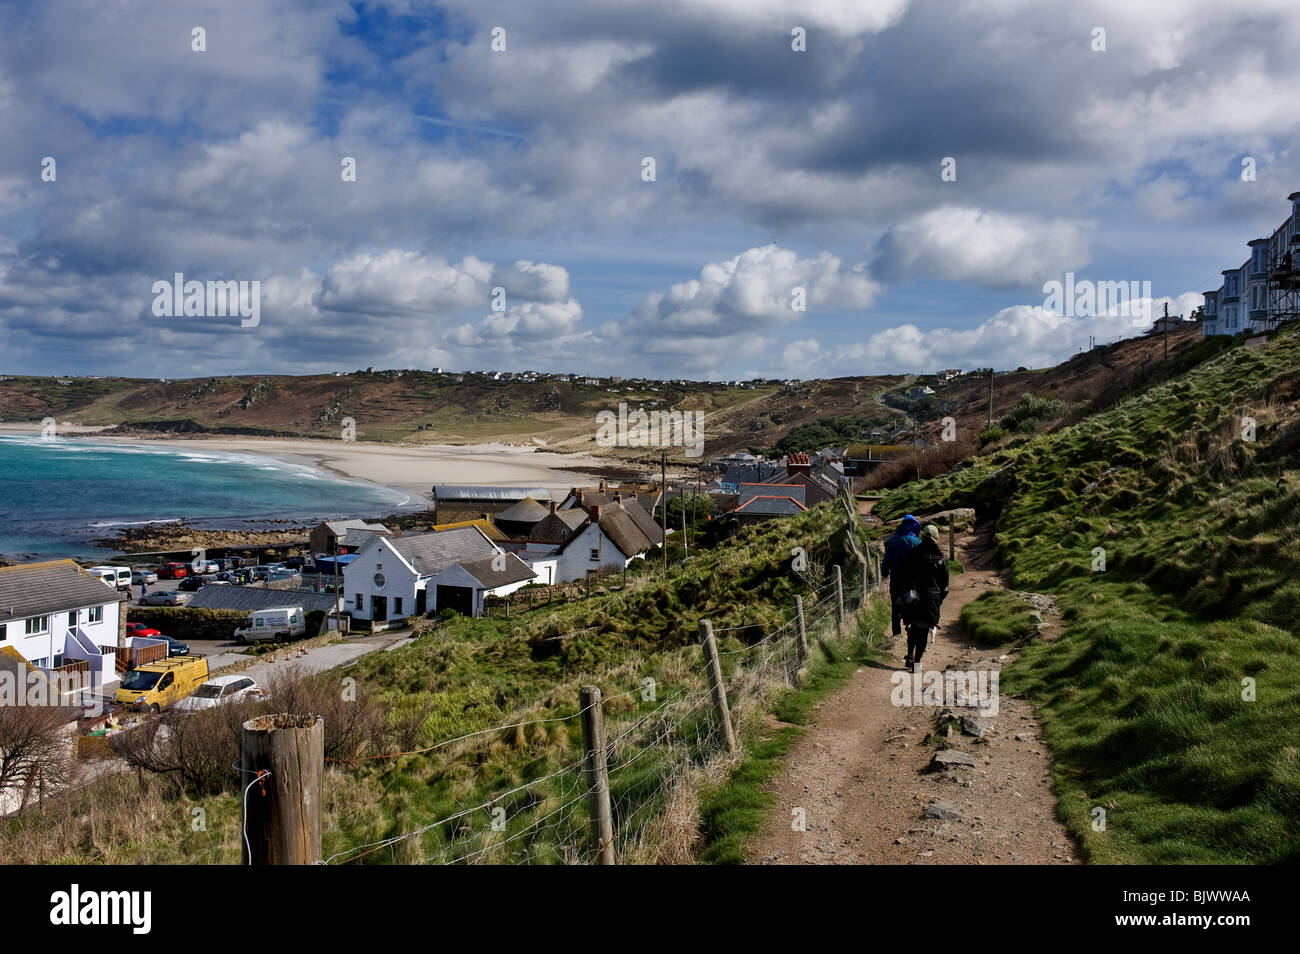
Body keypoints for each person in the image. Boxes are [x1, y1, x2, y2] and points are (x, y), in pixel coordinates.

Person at [895, 523, 949, 670]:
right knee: (923, 631)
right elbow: (945, 586)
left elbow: (902, 574)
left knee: (912, 628)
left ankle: (910, 656)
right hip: (931, 600)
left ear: (922, 536)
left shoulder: (912, 554)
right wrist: (938, 601)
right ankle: (917, 662)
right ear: (936, 538)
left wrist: (904, 592)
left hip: (913, 598)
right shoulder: (940, 559)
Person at [881, 514, 921, 637]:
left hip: (896, 578)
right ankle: (911, 632)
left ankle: (896, 635)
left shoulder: (893, 540)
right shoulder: (917, 541)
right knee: (912, 605)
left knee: (896, 609)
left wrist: (884, 573)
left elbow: (887, 558)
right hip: (912, 580)